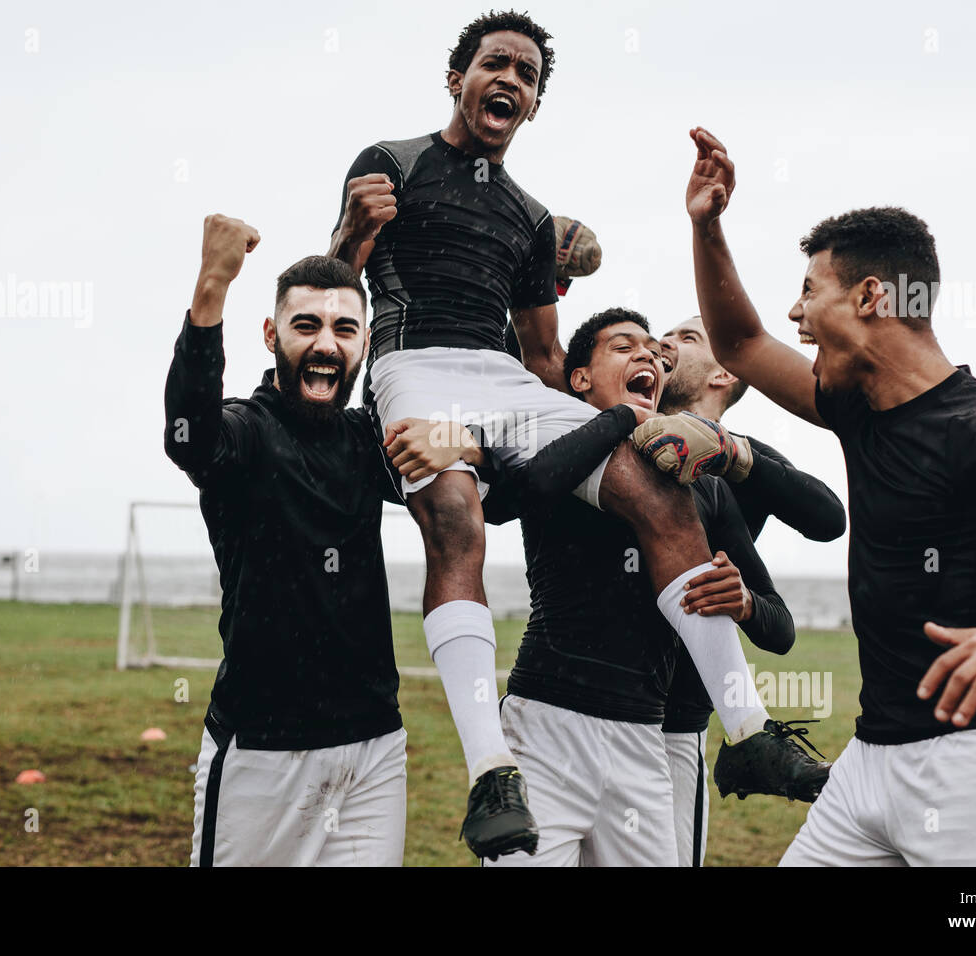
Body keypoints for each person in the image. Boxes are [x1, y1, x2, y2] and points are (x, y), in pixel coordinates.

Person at [331, 9, 806, 862]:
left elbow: (546, 353)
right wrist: (352, 233)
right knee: (457, 517)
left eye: (527, 74)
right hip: (416, 364)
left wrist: (594, 438)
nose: (509, 79)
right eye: (494, 64)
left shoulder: (530, 218)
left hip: (504, 377)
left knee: (656, 488)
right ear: (458, 79)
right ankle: (492, 774)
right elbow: (335, 290)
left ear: (535, 104)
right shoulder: (389, 164)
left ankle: (749, 728)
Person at [682, 125, 976, 865]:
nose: (795, 317)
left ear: (869, 296)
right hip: (865, 765)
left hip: (974, 766)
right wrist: (708, 225)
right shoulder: (857, 410)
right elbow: (738, 345)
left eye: (807, 292)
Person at [165, 215, 481, 866]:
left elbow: (493, 487)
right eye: (306, 326)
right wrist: (213, 285)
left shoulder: (369, 440)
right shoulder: (243, 433)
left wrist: (467, 441)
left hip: (372, 748)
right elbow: (186, 436)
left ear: (364, 342)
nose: (326, 344)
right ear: (270, 335)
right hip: (259, 752)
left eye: (343, 329)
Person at [476, 309, 822, 866]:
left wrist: (744, 601)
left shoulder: (705, 486)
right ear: (580, 379)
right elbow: (516, 494)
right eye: (623, 347)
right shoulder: (564, 451)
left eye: (655, 352)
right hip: (545, 721)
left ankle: (752, 733)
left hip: (648, 734)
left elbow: (779, 624)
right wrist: (616, 417)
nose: (649, 355)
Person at [657, 315, 846, 866]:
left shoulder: (741, 467)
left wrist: (732, 453)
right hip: (580, 697)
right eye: (662, 334)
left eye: (689, 336)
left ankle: (751, 737)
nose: (665, 341)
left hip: (679, 718)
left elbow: (828, 518)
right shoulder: (608, 431)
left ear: (724, 373)